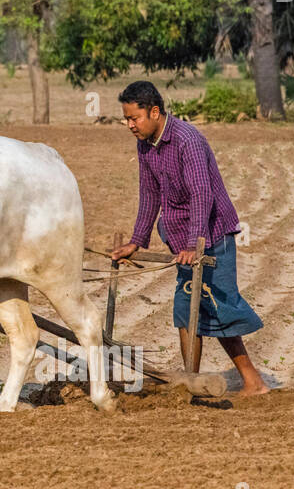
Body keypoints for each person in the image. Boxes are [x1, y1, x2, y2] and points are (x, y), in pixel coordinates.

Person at [109, 80, 268, 395]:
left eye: (134, 118)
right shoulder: (145, 145)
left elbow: (202, 194)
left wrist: (194, 244)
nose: (129, 125)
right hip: (181, 241)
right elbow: (149, 194)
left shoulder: (187, 140)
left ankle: (254, 382)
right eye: (126, 119)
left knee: (219, 308)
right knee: (185, 310)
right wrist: (136, 241)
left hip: (211, 236)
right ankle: (190, 383)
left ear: (154, 112)